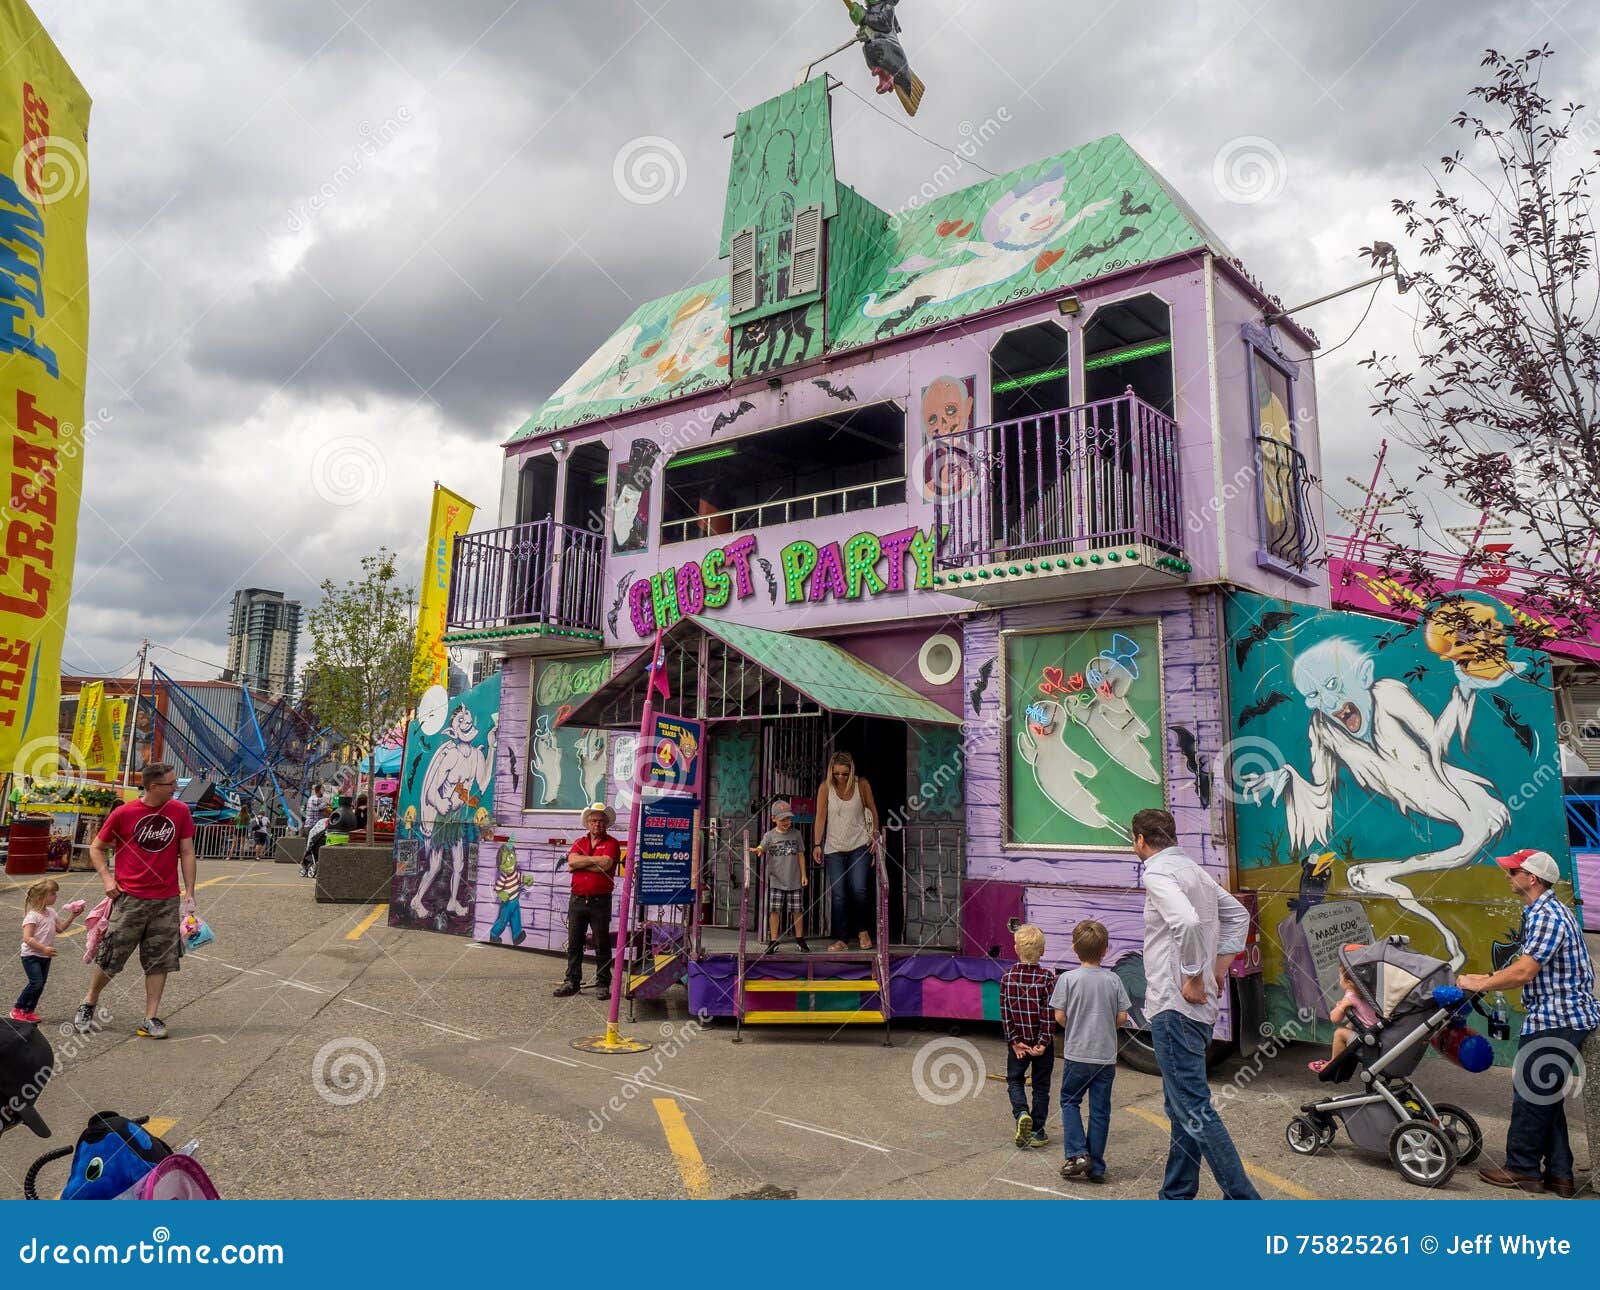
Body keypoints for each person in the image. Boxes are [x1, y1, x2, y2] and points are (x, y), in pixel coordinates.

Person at [1458, 848, 1599, 1197]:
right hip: (1558, 1012)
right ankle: (1559, 1175)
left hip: (1558, 1015)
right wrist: (1488, 975)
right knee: (1545, 1094)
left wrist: (1481, 983)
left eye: (1513, 871)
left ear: (1531, 878)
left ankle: (1521, 1168)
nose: (1508, 877)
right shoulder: (1543, 911)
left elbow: (1524, 971)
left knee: (1531, 1095)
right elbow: (1527, 965)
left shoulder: (1547, 915)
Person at [1133, 807, 1258, 1199]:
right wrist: (1218, 969)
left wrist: (1192, 976)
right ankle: (1177, 1193)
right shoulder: (1192, 868)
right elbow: (1238, 915)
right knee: (1181, 1107)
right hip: (1199, 1010)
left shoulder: (1155, 871)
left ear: (1140, 840)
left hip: (1175, 1006)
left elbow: (1185, 923)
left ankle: (1244, 1199)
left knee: (1194, 1108)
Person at [75, 763, 199, 1040]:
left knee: (160, 960)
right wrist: (107, 878)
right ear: (153, 786)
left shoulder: (179, 811)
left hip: (165, 899)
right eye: (171, 784)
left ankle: (150, 1017)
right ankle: (89, 1002)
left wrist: (189, 892)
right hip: (130, 898)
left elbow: (187, 852)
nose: (175, 788)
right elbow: (97, 847)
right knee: (111, 956)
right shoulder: (124, 813)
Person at [1051, 919, 1131, 1184]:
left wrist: (1075, 1024)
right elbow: (1122, 1017)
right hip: (1105, 1056)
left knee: (1070, 1101)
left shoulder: (1067, 979)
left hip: (1077, 1054)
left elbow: (1060, 1016)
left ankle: (1077, 1153)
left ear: (1074, 948)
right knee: (1100, 1111)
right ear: (1105, 949)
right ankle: (1096, 1167)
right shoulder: (1114, 980)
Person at [812, 751, 880, 952]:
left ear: (851, 772)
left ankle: (862, 931)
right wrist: (817, 843)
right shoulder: (826, 788)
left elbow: (873, 810)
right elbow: (820, 817)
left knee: (859, 889)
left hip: (859, 845)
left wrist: (875, 834)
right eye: (837, 774)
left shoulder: (862, 785)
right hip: (834, 848)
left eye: (844, 773)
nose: (840, 777)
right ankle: (841, 938)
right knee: (839, 894)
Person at [555, 802, 621, 998]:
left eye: (601, 821)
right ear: (588, 823)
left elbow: (607, 863)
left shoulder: (612, 843)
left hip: (600, 901)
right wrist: (595, 861)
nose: (597, 824)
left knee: (602, 944)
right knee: (575, 942)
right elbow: (572, 862)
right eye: (594, 821)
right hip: (577, 900)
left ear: (606, 824)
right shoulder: (579, 842)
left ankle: (603, 983)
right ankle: (572, 982)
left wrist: (580, 864)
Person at [999, 923, 1056, 1149]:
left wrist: (1014, 1041)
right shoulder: (1047, 979)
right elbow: (1048, 1014)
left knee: (1015, 1080)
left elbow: (1005, 1014)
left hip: (1019, 1045)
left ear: (1015, 949)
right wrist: (1043, 1042)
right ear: (1042, 951)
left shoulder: (1007, 978)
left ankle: (1021, 1112)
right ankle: (1038, 1131)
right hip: (1041, 1045)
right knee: (1041, 1086)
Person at [12, 880, 83, 1023]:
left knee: (41, 984)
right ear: (41, 897)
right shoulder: (32, 916)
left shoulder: (51, 912)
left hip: (44, 956)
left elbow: (60, 928)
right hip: (31, 956)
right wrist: (43, 948)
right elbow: (27, 938)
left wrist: (73, 916)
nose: (56, 896)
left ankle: (29, 1010)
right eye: (52, 894)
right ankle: (18, 1009)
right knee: (36, 982)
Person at [756, 800, 810, 955]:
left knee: (797, 911)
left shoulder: (796, 834)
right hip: (776, 880)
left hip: (794, 879)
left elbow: (801, 855)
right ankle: (774, 941)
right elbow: (762, 845)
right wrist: (759, 850)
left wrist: (804, 875)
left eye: (788, 818)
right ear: (774, 819)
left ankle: (800, 939)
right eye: (782, 819)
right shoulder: (770, 835)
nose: (786, 822)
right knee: (775, 911)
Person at [1307, 963, 1378, 1074]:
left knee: (1339, 1033)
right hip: (1377, 1033)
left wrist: (1340, 1007)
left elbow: (1334, 1018)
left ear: (1349, 983)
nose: (1339, 980)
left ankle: (1332, 1065)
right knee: (1349, 1025)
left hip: (1370, 1041)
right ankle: (1342, 1060)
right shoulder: (1370, 992)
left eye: (1340, 976)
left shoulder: (1351, 996)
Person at [302, 808, 331, 879]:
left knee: (311, 853)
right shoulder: (332, 823)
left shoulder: (322, 822)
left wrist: (308, 847)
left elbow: (312, 834)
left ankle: (307, 866)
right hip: (327, 843)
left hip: (318, 845)